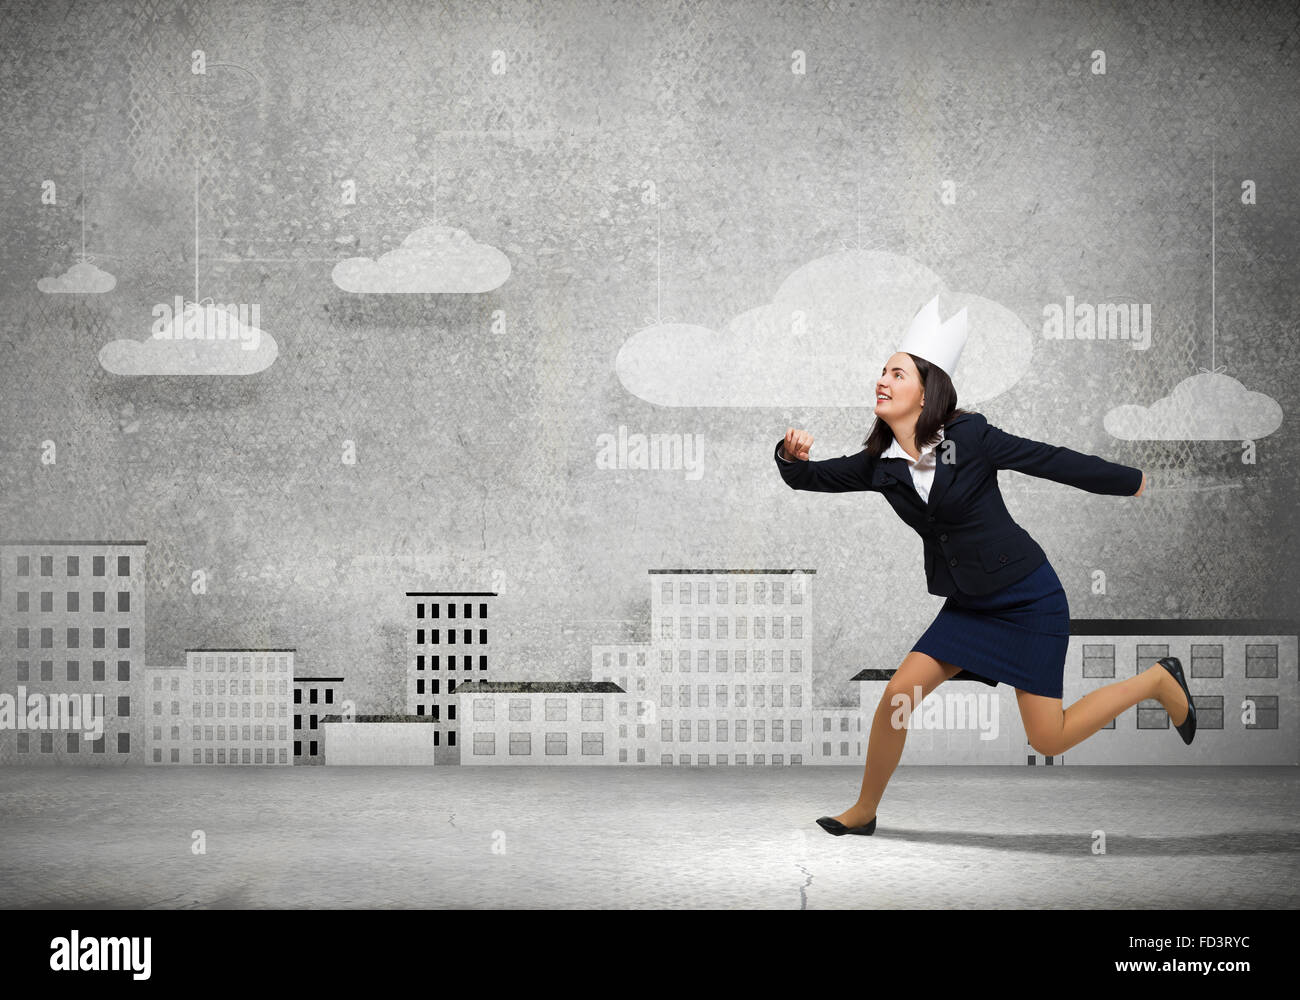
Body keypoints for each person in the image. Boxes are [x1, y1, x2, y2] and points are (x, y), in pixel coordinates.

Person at [774, 296, 1197, 837]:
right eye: (882, 371)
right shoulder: (878, 466)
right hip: (969, 607)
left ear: (926, 390)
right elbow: (806, 478)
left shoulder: (970, 439)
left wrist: (1130, 479)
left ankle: (1158, 682)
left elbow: (1051, 460)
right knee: (896, 700)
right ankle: (864, 810)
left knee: (1049, 738)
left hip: (1028, 598)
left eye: (896, 373)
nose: (881, 380)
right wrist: (791, 456)